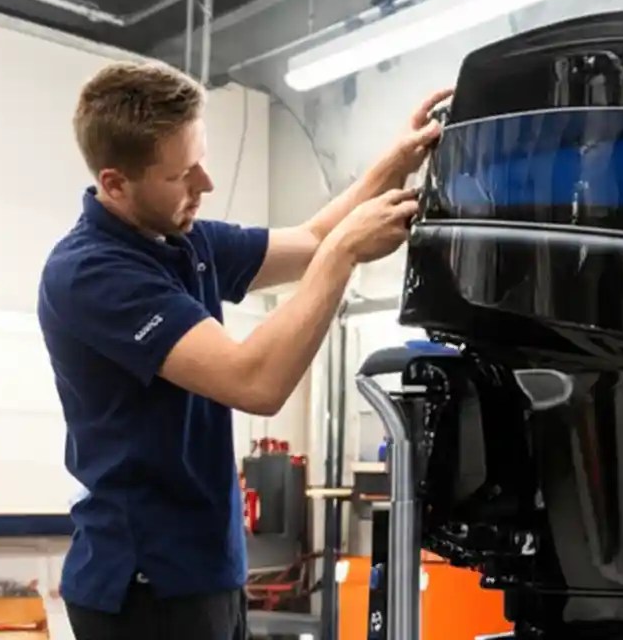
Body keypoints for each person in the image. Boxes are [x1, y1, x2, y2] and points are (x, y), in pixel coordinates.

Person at [36, 59, 451, 640]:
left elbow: (310, 240)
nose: (204, 184)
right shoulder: (92, 274)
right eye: (182, 174)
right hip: (145, 587)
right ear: (114, 184)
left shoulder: (184, 240)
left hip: (206, 570)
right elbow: (255, 381)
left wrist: (398, 161)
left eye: (201, 161)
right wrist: (344, 258)